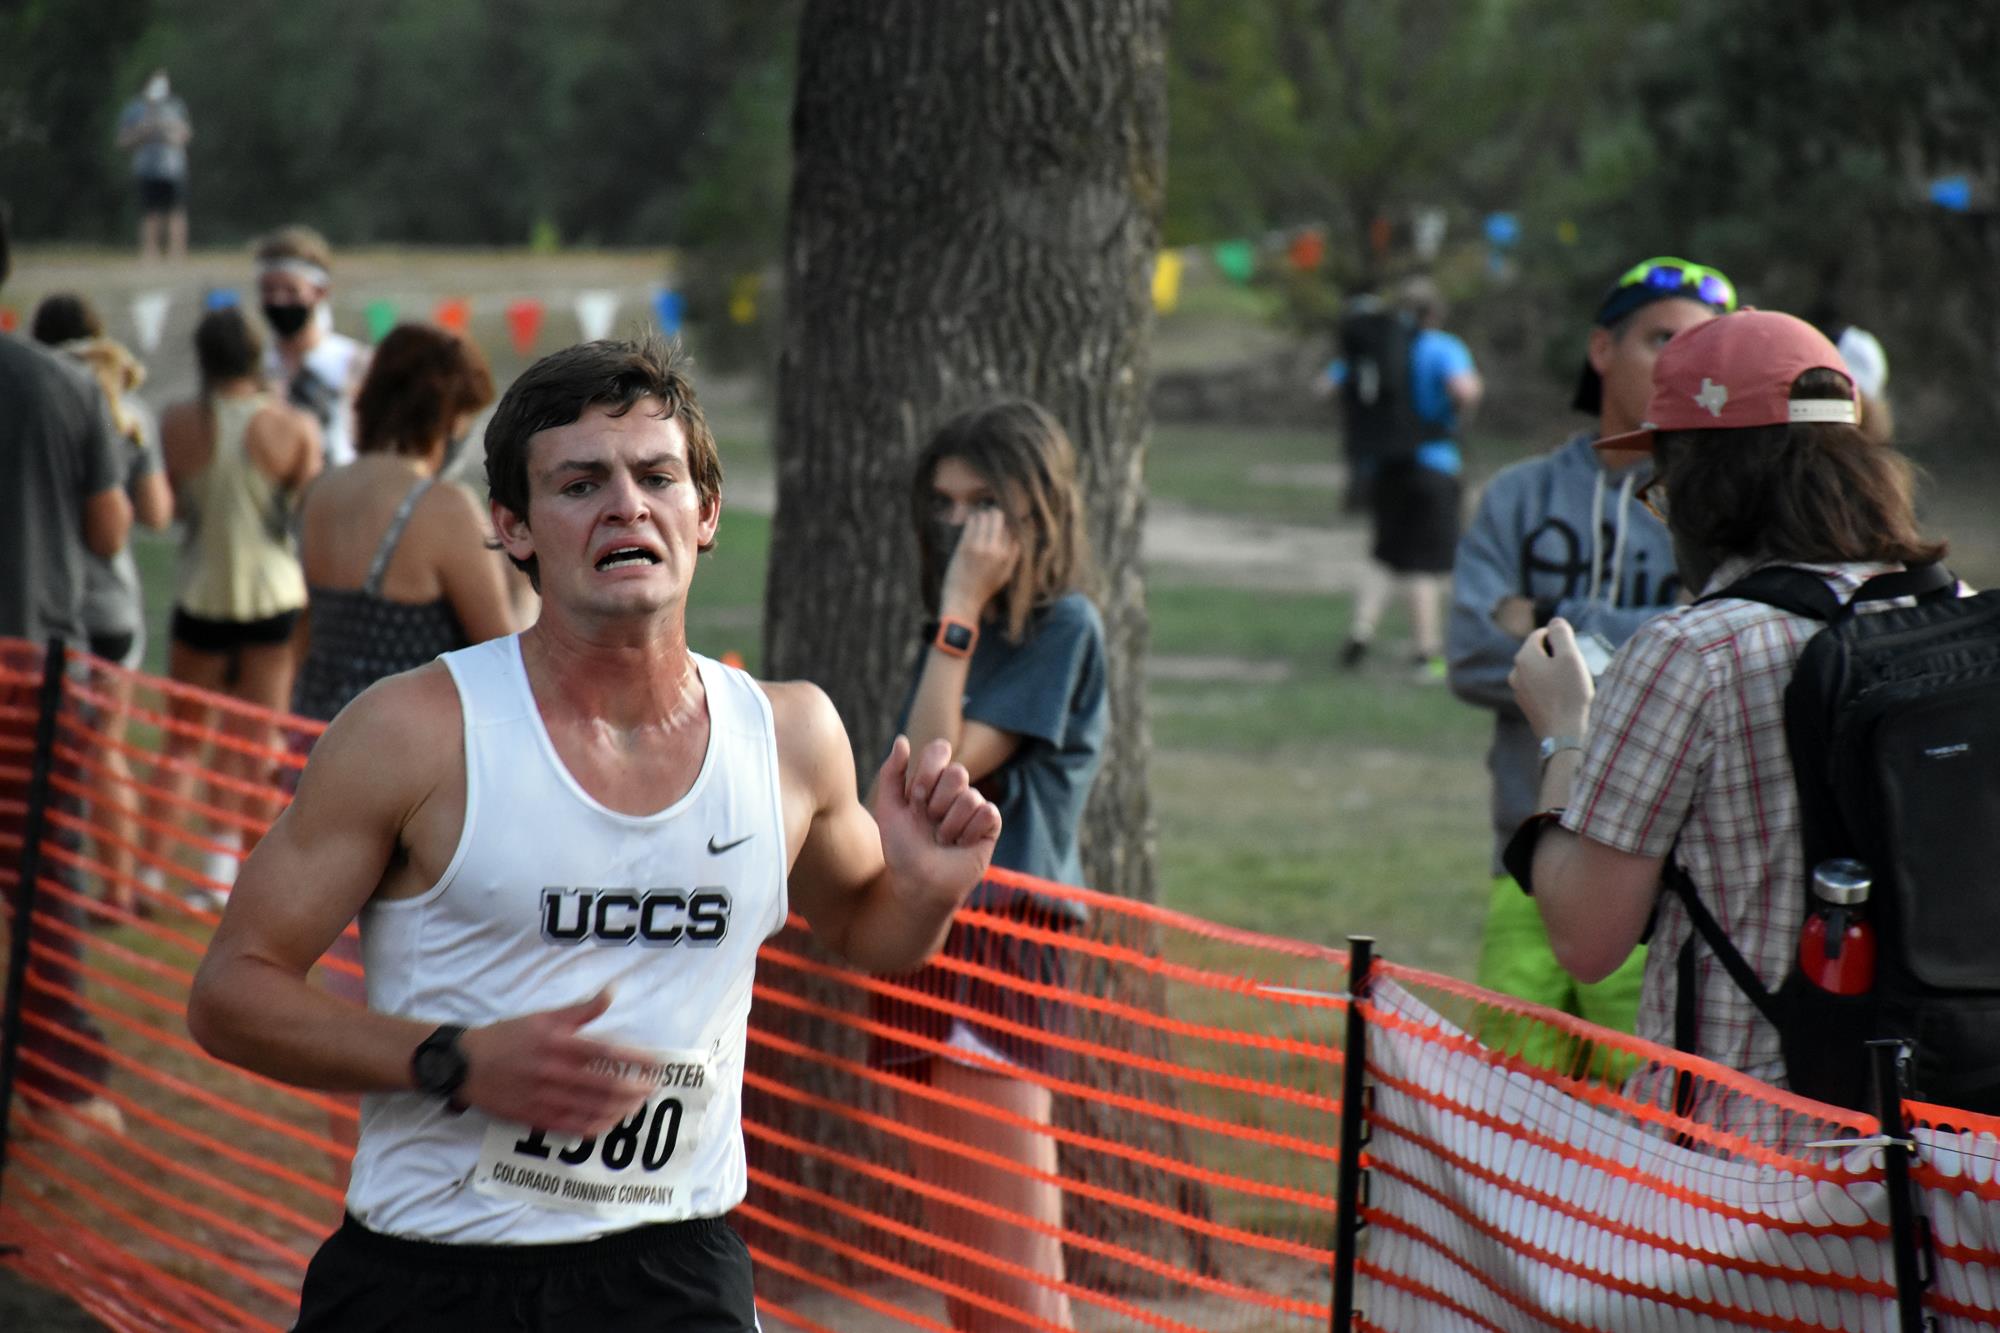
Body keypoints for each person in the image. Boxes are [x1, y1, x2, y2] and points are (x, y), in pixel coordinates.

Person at [187, 336, 1004, 1332]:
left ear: (703, 514)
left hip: (673, 1271)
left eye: (656, 475)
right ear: (514, 529)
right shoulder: (415, 731)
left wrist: (921, 887)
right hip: (435, 1274)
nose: (626, 504)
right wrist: (450, 1059)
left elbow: (871, 935)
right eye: (580, 483)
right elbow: (231, 990)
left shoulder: (789, 735)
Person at [1506, 309, 1946, 1094]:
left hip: (1749, 1155)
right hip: (1947, 1140)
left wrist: (1564, 731)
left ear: (1706, 482)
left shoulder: (1695, 652)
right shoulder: (1956, 617)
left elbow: (1585, 936)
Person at [1446, 257, 1735, 1058]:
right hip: (1527, 856)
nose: (1683, 363)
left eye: (1705, 347)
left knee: (1641, 1135)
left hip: (1664, 874)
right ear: (1602, 348)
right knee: (1509, 1122)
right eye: (1661, 339)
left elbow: (1715, 650)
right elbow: (1471, 653)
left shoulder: (1716, 505)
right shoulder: (1518, 495)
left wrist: (1546, 620)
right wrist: (1656, 635)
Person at [875, 400, 1106, 1333]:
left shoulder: (1062, 627)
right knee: (967, 1259)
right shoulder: (951, 634)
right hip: (919, 936)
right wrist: (955, 620)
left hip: (999, 944)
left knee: (1010, 1271)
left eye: (983, 504)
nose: (960, 527)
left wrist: (961, 612)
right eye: (944, 504)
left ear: (1033, 511)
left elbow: (936, 772)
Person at [0, 202, 131, 1134]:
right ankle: (60, 1086)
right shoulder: (62, 385)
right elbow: (110, 531)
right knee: (44, 882)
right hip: (31, 675)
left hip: (37, 673)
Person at [153, 308, 321, 898]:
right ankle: (252, 875)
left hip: (203, 592)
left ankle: (148, 874)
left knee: (182, 742)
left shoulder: (177, 420)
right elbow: (302, 510)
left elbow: (173, 510)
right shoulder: (294, 425)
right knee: (259, 742)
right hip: (272, 595)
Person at [293, 323, 525, 727]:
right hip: (407, 756)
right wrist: (529, 585)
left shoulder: (321, 492)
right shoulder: (442, 508)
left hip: (320, 739)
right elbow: (504, 659)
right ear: (449, 419)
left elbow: (309, 628)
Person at [31, 293, 175, 920]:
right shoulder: (127, 408)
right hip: (112, 608)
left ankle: (63, 887)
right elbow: (154, 514)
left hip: (41, 604)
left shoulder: (29, 405)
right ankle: (120, 892)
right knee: (105, 749)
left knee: (50, 755)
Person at [1335, 276, 1482, 679]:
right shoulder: (1442, 347)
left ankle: (1360, 631)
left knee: (1385, 553)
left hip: (1384, 466)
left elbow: (1330, 384)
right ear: (1435, 312)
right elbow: (1465, 390)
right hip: (1434, 463)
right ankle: (1425, 653)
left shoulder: (1378, 345)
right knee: (1424, 563)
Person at [255, 225, 369, 468]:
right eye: (268, 290)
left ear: (320, 292)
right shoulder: (253, 363)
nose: (278, 300)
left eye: (290, 290)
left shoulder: (354, 362)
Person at [115, 69, 193, 262]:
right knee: (150, 212)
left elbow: (186, 134)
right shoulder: (134, 108)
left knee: (176, 210)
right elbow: (122, 141)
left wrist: (168, 130)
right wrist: (143, 131)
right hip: (146, 168)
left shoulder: (175, 106)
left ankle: (177, 253)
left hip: (173, 168)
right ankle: (150, 252)